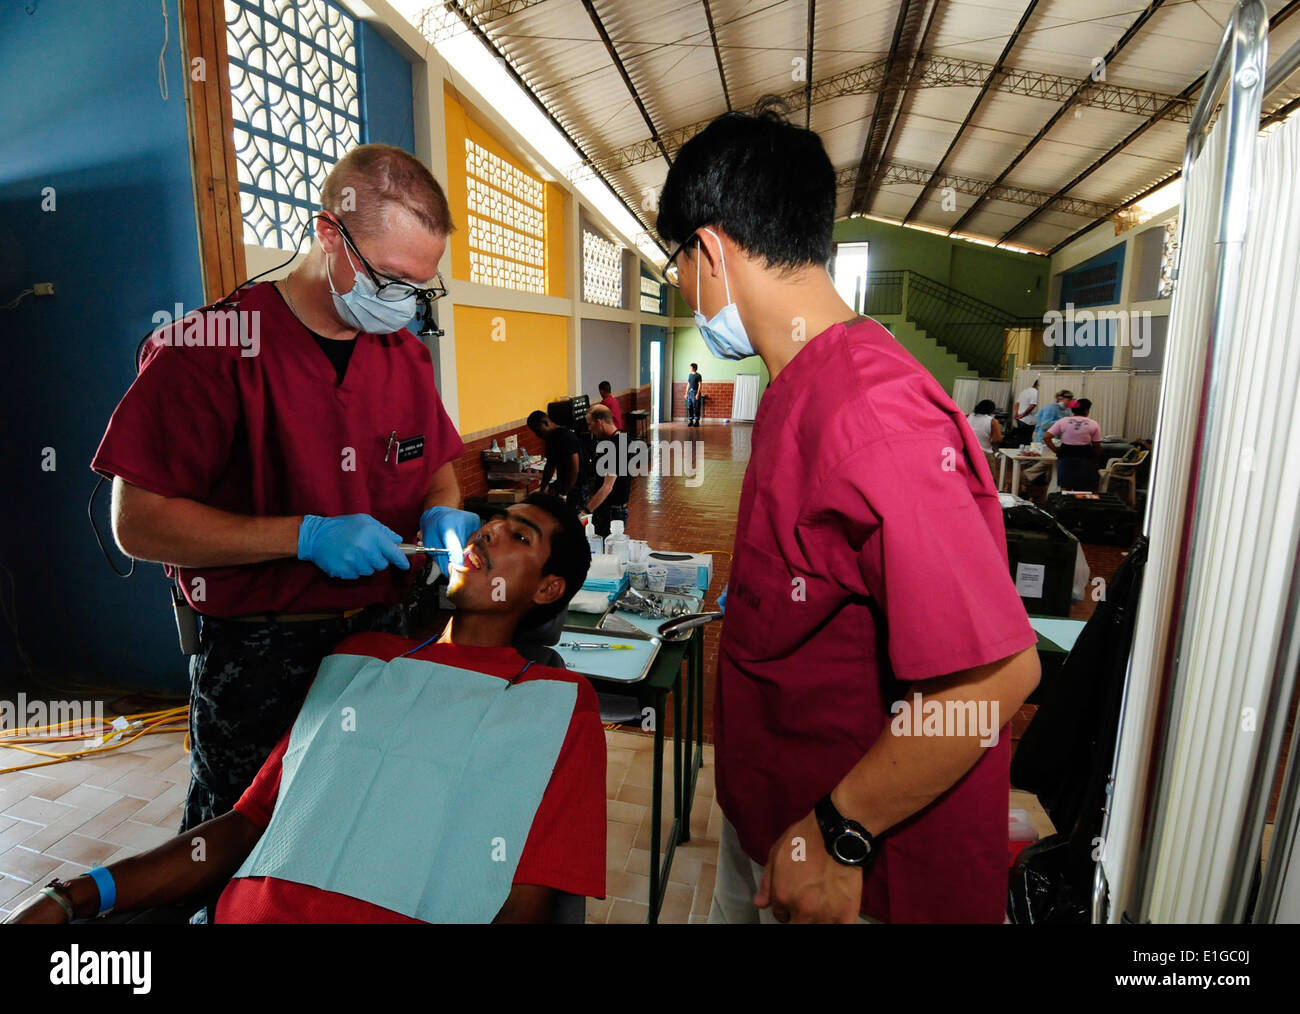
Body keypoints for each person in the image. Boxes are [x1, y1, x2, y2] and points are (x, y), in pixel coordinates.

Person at [657, 100, 1040, 924]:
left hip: (858, 870)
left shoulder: (871, 416)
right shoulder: (809, 388)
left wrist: (840, 833)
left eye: (678, 266)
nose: (683, 288)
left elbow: (998, 676)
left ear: (712, 251)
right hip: (780, 820)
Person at [90, 145, 482, 873]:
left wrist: (441, 511)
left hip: (379, 640)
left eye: (420, 288)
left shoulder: (401, 353)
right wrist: (302, 536)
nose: (403, 304)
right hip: (260, 655)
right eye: (391, 279)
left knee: (354, 827)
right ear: (329, 233)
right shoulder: (206, 351)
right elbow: (136, 523)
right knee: (239, 847)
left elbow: (436, 470)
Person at [7, 496, 604, 925]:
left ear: (549, 590)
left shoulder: (554, 706)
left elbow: (527, 897)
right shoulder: (358, 659)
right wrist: (77, 896)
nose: (486, 535)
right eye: (491, 523)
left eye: (518, 536)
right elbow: (245, 824)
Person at [585, 404, 633, 537]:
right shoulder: (621, 440)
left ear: (599, 422)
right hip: (609, 509)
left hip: (611, 513)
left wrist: (586, 511)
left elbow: (607, 487)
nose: (589, 429)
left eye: (590, 424)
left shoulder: (616, 446)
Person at [528, 410, 583, 509]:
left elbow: (574, 468)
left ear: (545, 423)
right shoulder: (550, 439)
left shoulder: (566, 436)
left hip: (577, 486)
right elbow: (550, 465)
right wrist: (543, 488)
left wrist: (564, 493)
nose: (537, 435)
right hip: (563, 485)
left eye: (537, 431)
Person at [1044, 398, 1102, 491]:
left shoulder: (1063, 421)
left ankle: (1065, 503)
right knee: (1083, 487)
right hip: (1085, 458)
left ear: (1073, 410)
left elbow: (1046, 437)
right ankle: (1079, 504)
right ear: (1087, 410)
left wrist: (1057, 450)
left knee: (1065, 486)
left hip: (1065, 456)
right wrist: (1097, 459)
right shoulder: (1093, 424)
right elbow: (1097, 445)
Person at [1023, 389, 1073, 490]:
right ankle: (1028, 474)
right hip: (1043, 439)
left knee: (1053, 463)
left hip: (1057, 440)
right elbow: (1045, 425)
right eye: (1068, 400)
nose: (1070, 402)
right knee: (1048, 461)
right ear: (1060, 399)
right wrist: (1062, 421)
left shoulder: (1067, 411)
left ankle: (1048, 485)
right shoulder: (1050, 408)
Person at [966, 399, 1002, 472]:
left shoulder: (968, 416)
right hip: (984, 453)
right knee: (990, 477)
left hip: (967, 452)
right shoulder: (992, 421)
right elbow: (998, 439)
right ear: (991, 411)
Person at [1013, 379, 1039, 445]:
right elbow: (1032, 405)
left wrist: (1016, 414)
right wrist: (1023, 415)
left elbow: (1017, 403)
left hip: (1020, 419)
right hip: (1028, 421)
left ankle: (1017, 453)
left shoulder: (1025, 391)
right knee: (1026, 441)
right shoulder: (1035, 392)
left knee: (1020, 439)